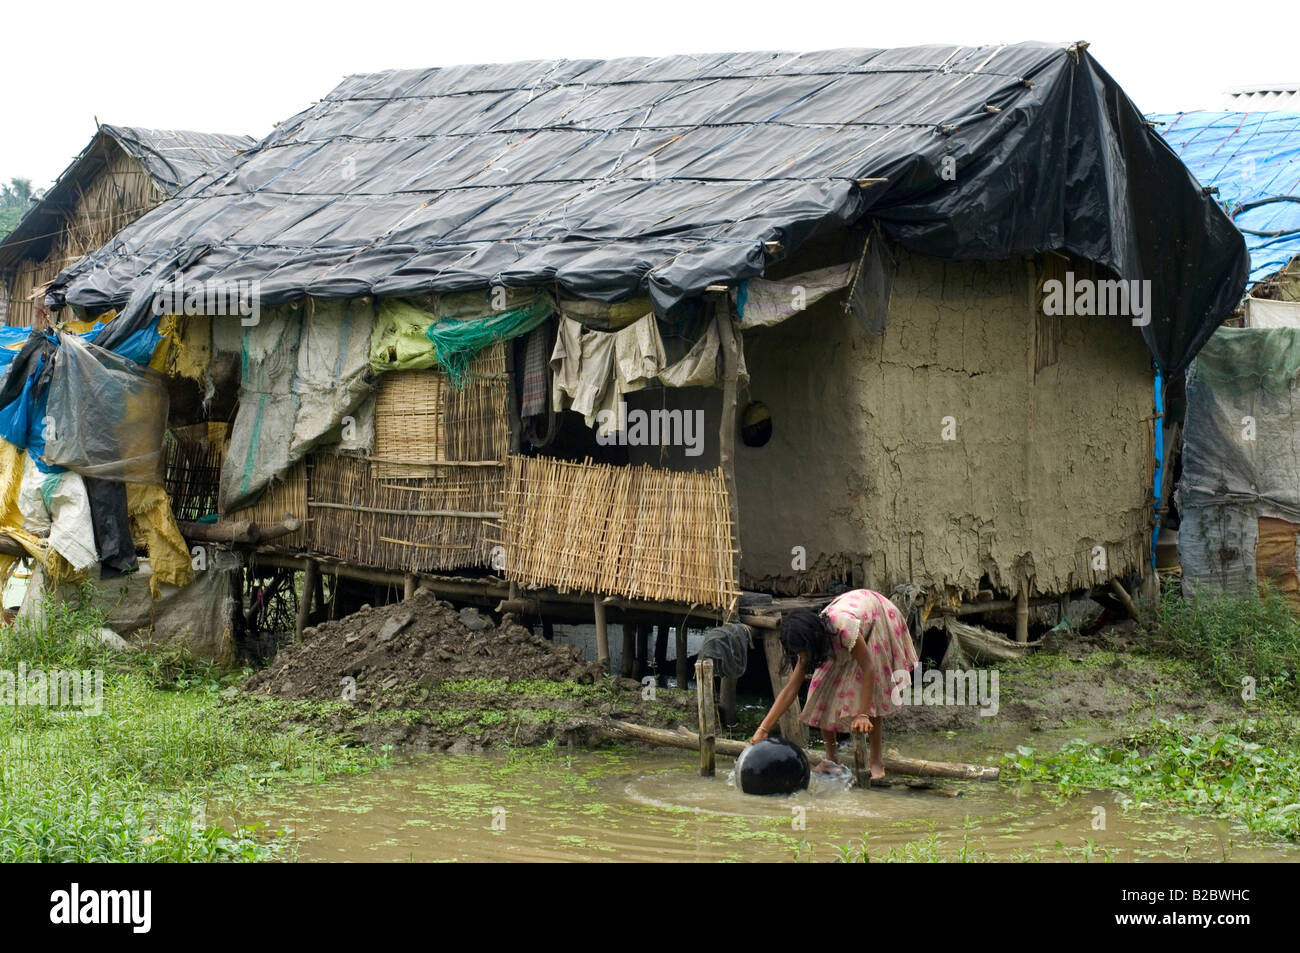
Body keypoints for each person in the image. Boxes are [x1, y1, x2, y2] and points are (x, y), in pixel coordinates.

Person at [749, 589, 919, 780]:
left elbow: (869, 668)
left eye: (804, 652)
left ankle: (876, 761)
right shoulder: (811, 643)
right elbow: (790, 689)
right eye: (799, 653)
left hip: (877, 616)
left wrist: (862, 714)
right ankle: (832, 760)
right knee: (821, 691)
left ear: (812, 641)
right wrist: (763, 729)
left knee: (872, 698)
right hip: (852, 619)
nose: (803, 657)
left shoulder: (842, 629)